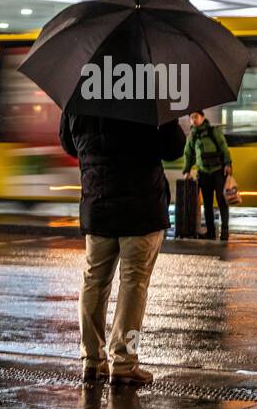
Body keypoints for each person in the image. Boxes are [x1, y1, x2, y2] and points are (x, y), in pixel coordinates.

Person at [60, 111, 186, 386]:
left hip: (97, 201)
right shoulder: (147, 86)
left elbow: (68, 143)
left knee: (94, 281)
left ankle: (92, 361)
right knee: (134, 283)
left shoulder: (79, 87)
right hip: (141, 206)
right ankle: (124, 361)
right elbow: (174, 148)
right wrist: (171, 116)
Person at [182, 110, 233, 242]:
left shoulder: (213, 131)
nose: (194, 120)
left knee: (222, 201)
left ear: (203, 117)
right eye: (192, 117)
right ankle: (210, 232)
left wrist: (228, 163)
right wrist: (187, 170)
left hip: (218, 171)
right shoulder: (193, 136)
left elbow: (224, 147)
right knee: (208, 204)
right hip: (204, 173)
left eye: (196, 117)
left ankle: (225, 232)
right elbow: (189, 154)